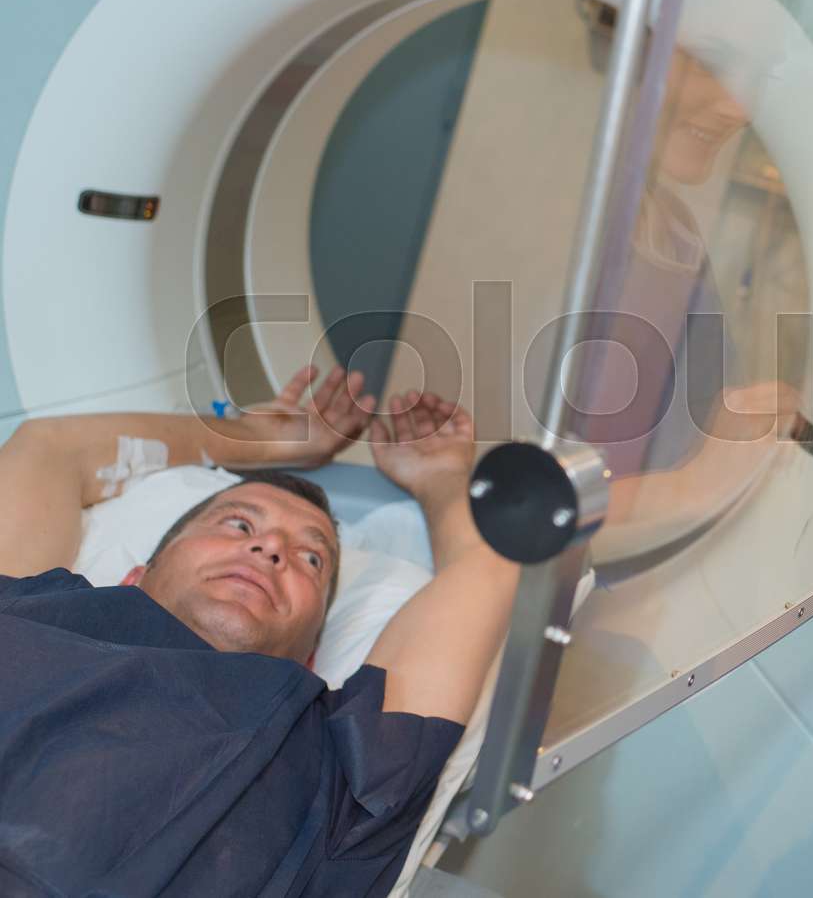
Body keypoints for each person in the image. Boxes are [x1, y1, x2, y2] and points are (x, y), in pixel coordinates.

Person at [0, 364, 515, 897]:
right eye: (239, 524)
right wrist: (263, 438)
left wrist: (442, 480)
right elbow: (49, 446)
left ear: (313, 652)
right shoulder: (30, 605)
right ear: (136, 574)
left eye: (310, 558)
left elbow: (488, 567)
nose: (271, 549)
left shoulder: (344, 769)